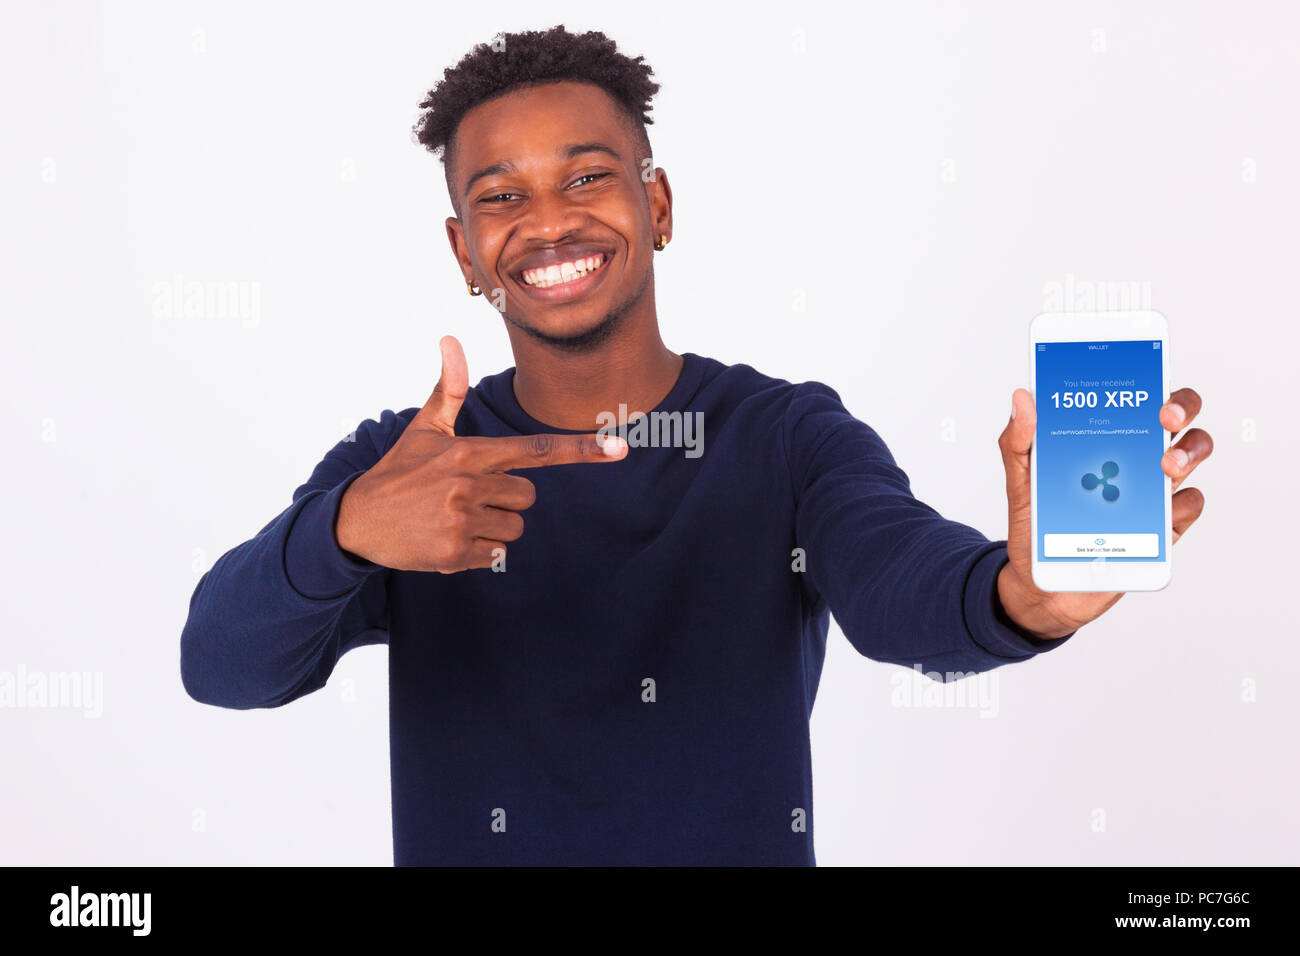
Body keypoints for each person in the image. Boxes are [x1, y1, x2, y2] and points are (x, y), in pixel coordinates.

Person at [180, 25, 1212, 865]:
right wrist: (349, 532)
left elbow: (902, 588)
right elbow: (221, 664)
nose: (546, 223)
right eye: (499, 196)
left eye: (586, 177)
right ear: (464, 249)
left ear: (656, 204)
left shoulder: (786, 435)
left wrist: (1020, 596)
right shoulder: (413, 460)